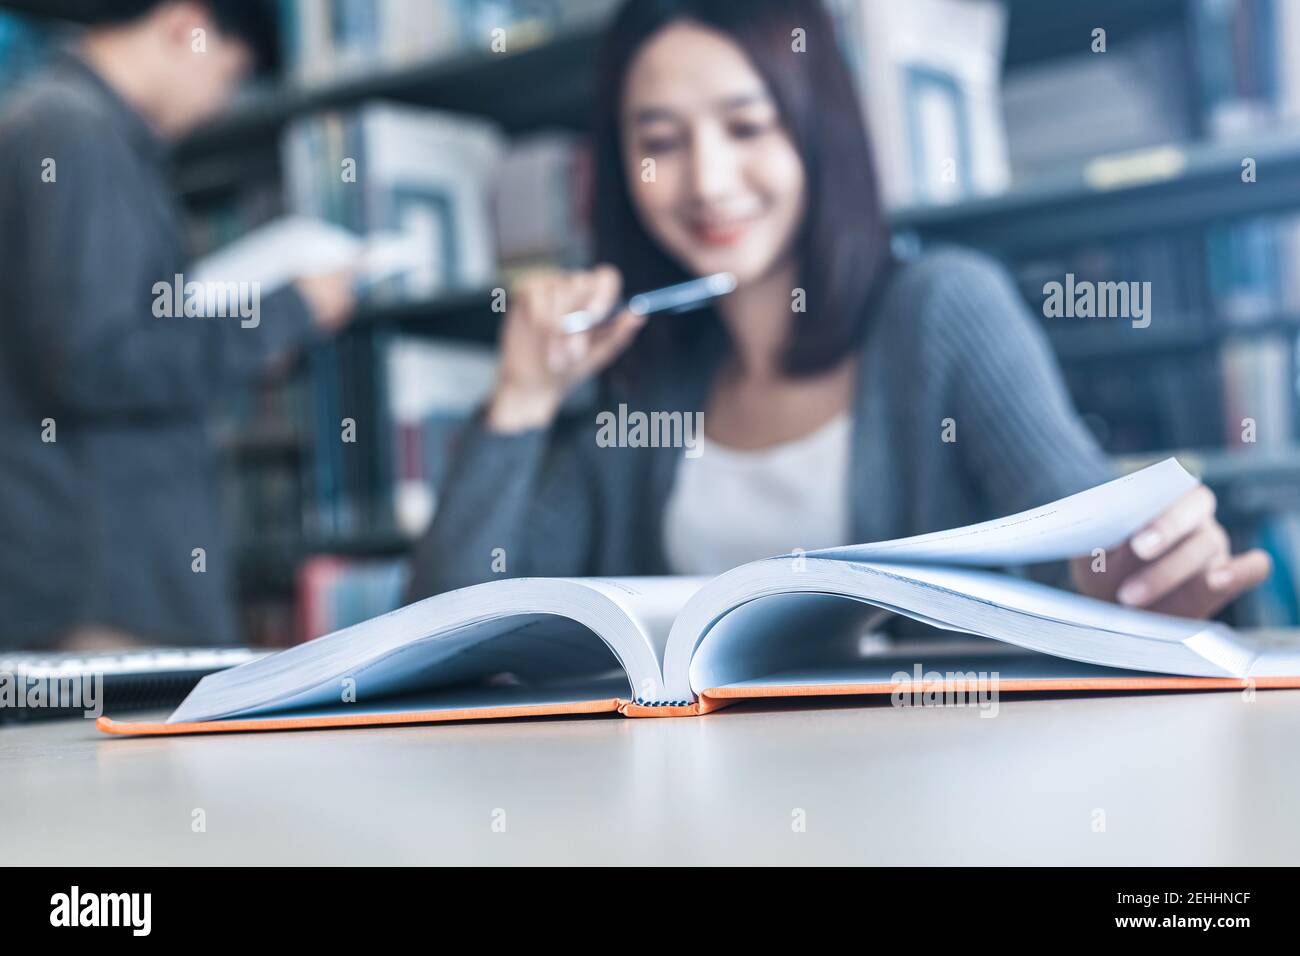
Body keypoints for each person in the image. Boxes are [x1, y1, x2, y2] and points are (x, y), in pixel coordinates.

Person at [407, 0, 1269, 622]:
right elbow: (454, 627)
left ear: (816, 133)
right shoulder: (644, 383)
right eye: (661, 142)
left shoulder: (941, 310)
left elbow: (1069, 526)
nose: (708, 180)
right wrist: (520, 401)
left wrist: (1131, 568)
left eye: (747, 127)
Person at [0, 0, 354, 652]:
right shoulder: (73, 132)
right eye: (228, 74)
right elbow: (93, 360)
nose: (219, 103)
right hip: (99, 592)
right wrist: (284, 313)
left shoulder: (65, 126)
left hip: (101, 579)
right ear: (185, 28)